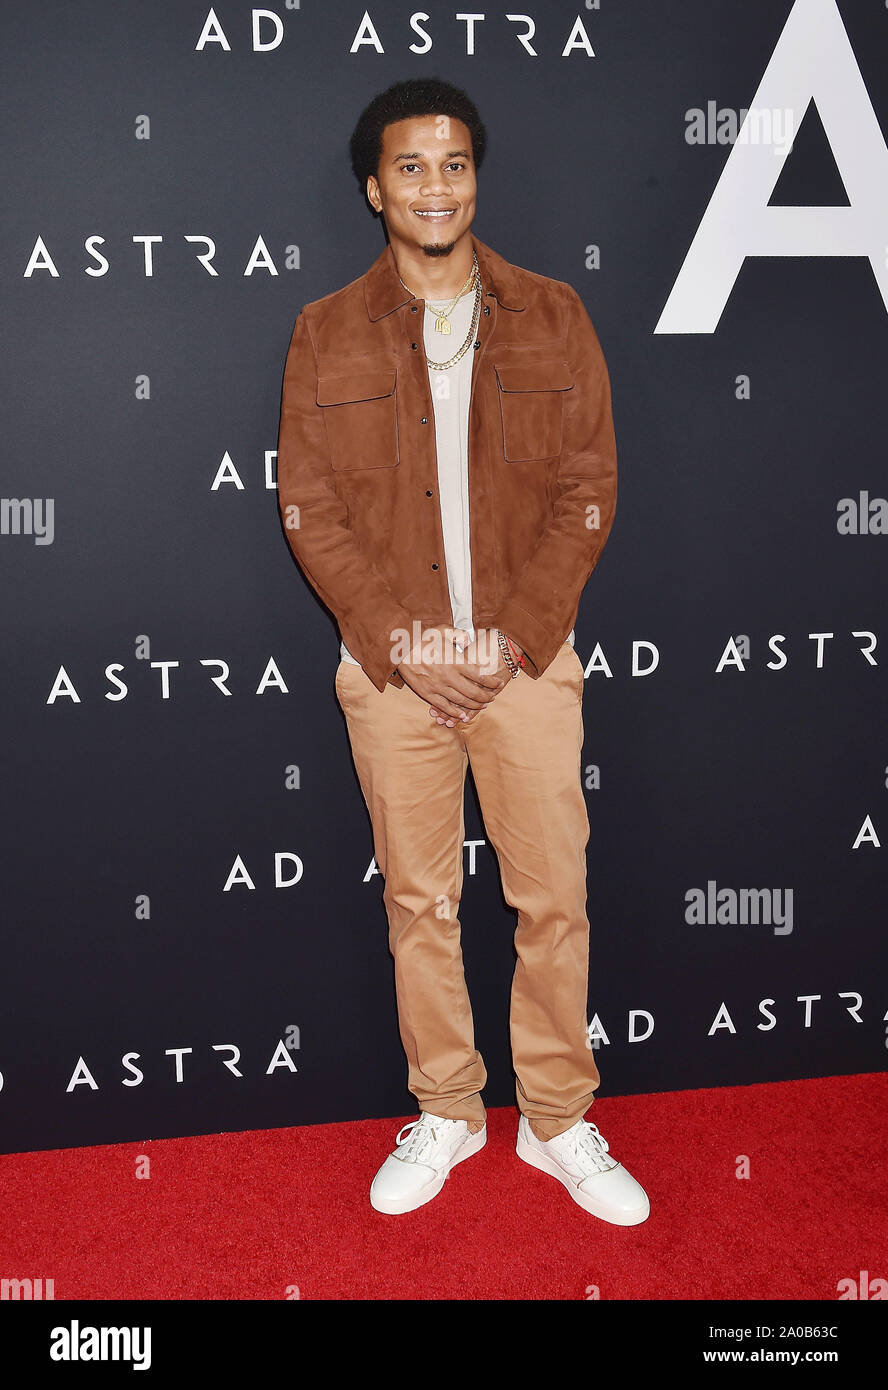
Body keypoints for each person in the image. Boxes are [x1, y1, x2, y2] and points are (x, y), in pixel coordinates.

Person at [276, 77, 649, 1225]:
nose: (434, 184)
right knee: (420, 901)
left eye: (453, 163)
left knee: (556, 900)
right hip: (393, 671)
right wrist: (403, 646)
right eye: (410, 167)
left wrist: (512, 639)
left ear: (473, 177)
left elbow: (589, 486)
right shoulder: (326, 329)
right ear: (372, 188)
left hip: (526, 664)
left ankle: (557, 1120)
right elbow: (311, 506)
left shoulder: (556, 312)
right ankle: (446, 1108)